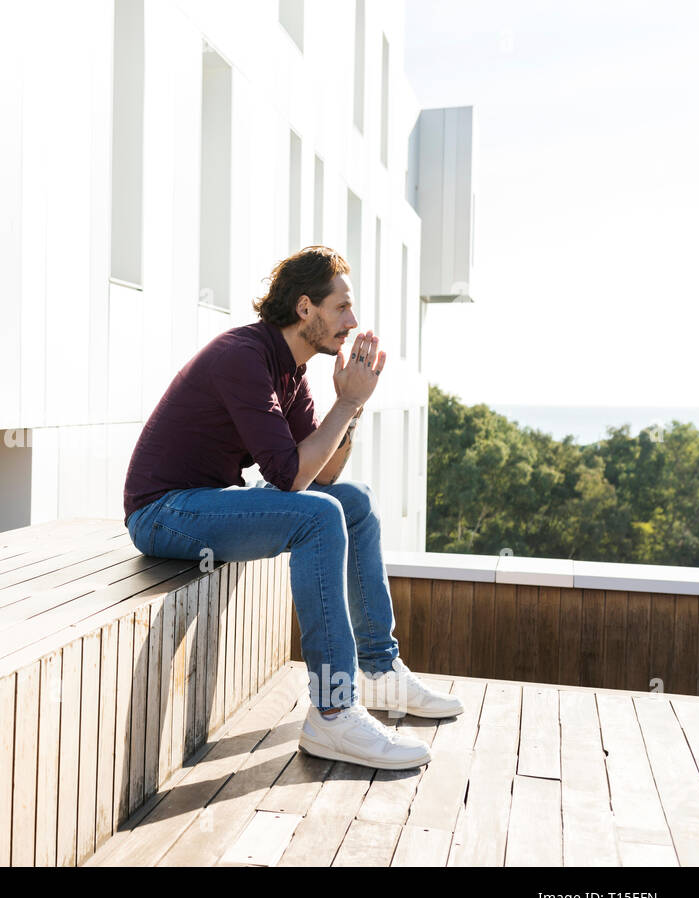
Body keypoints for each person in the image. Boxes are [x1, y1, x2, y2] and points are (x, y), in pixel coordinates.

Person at [122, 246, 462, 771]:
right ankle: (332, 709)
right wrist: (346, 403)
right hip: (163, 513)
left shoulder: (291, 372)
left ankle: (379, 671)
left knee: (353, 502)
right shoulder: (243, 356)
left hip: (208, 504)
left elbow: (325, 474)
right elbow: (292, 477)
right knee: (319, 515)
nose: (352, 322)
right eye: (341, 307)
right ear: (305, 308)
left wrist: (354, 405)